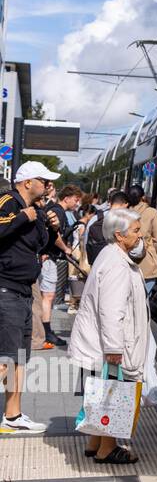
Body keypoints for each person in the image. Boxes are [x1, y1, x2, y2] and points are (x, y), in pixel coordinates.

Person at [69, 208, 151, 465]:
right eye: (136, 231)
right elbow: (112, 311)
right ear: (119, 235)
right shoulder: (117, 264)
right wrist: (115, 348)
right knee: (114, 393)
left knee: (100, 391)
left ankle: (94, 442)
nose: (140, 236)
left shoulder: (109, 254)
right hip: (109, 345)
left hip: (96, 342)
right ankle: (108, 449)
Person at [0, 162, 63, 434]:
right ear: (27, 182)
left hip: (24, 290)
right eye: (43, 180)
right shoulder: (8, 202)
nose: (47, 185)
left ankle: (12, 416)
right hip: (6, 289)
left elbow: (43, 247)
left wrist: (52, 229)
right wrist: (21, 218)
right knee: (4, 359)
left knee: (18, 358)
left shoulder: (37, 210)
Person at [35, 185, 82, 349]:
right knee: (48, 295)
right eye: (76, 200)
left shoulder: (54, 208)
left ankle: (42, 330)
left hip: (45, 256)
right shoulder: (60, 211)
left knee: (43, 295)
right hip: (48, 258)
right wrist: (66, 248)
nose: (77, 204)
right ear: (67, 198)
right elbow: (55, 236)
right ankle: (46, 331)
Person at [125, 183, 157, 293]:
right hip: (148, 265)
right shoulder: (152, 213)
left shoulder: (123, 214)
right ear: (143, 197)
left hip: (126, 263)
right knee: (145, 299)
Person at [86, 190, 130, 265]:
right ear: (126, 204)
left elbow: (87, 241)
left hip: (96, 263)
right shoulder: (127, 221)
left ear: (110, 203)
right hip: (118, 264)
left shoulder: (96, 218)